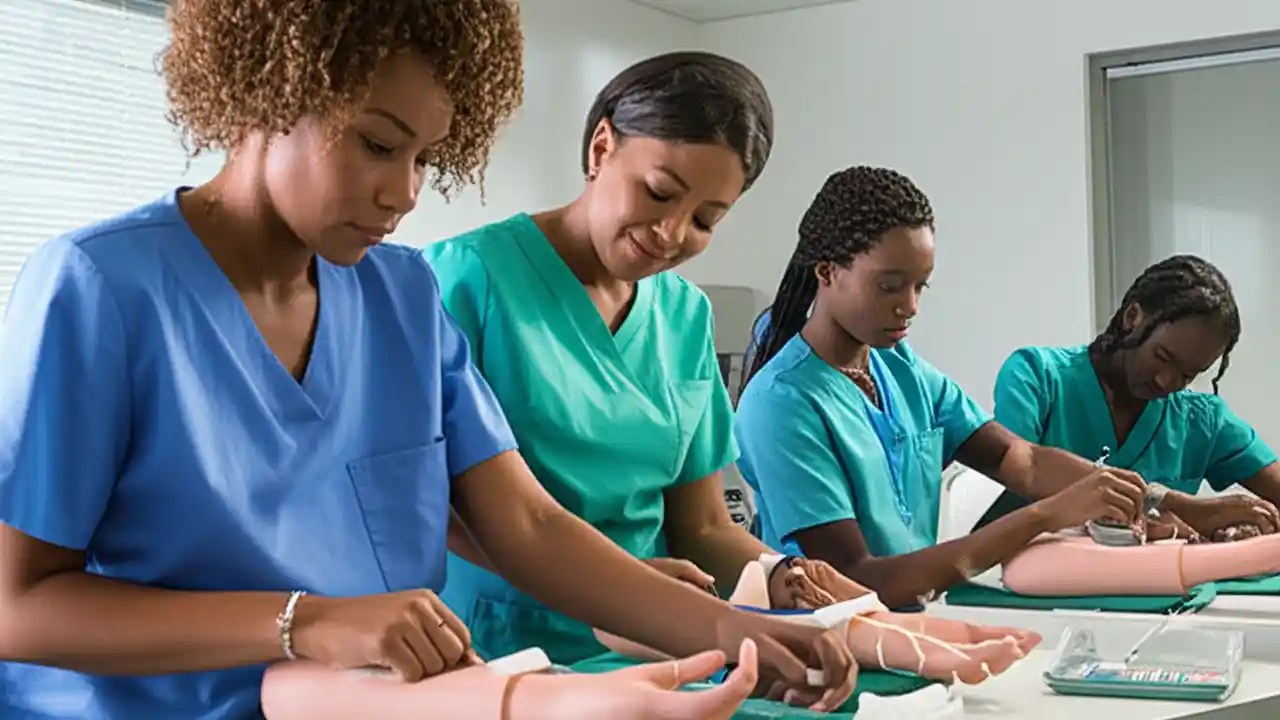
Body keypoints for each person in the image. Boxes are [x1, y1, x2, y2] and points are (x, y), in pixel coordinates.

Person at [0, 3, 858, 718]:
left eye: (427, 159)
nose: (406, 193)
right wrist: (304, 622)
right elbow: (19, 607)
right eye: (378, 145)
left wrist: (731, 630)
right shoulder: (100, 289)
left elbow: (525, 525)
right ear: (269, 89)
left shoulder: (400, 297)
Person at [426, 54, 1028, 673]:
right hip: (505, 645)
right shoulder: (463, 281)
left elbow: (705, 528)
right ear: (602, 147)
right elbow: (442, 509)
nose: (670, 232)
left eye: (706, 220)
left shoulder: (684, 315)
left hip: (664, 641)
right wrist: (629, 586)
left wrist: (784, 573)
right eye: (659, 193)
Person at [733, 166, 1153, 610]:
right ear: (827, 271)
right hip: (814, 644)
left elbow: (1022, 461)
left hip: (906, 629)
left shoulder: (901, 370)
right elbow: (856, 578)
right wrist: (1045, 515)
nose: (909, 306)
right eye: (890, 286)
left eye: (920, 286)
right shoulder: (780, 403)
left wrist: (1146, 499)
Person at [977, 254, 1280, 538]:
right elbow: (1019, 474)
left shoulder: (1202, 420)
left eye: (1189, 375)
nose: (1167, 381)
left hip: (1164, 590)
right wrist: (1176, 511)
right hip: (1043, 586)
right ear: (1133, 316)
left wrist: (1241, 525)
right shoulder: (1038, 377)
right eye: (1162, 357)